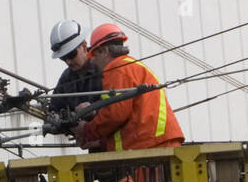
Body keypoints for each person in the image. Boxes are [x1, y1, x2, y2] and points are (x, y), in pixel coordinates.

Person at [73, 23, 184, 152]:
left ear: (104, 51)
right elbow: (129, 120)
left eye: (95, 56)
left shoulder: (117, 69)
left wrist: (87, 130)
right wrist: (101, 142)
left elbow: (115, 115)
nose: (95, 62)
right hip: (156, 144)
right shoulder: (132, 67)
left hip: (152, 149)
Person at [47, 19, 102, 117]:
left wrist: (94, 110)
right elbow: (53, 109)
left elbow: (118, 108)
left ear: (84, 47)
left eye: (72, 55)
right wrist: (55, 117)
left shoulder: (103, 69)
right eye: (63, 58)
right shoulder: (66, 77)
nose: (68, 61)